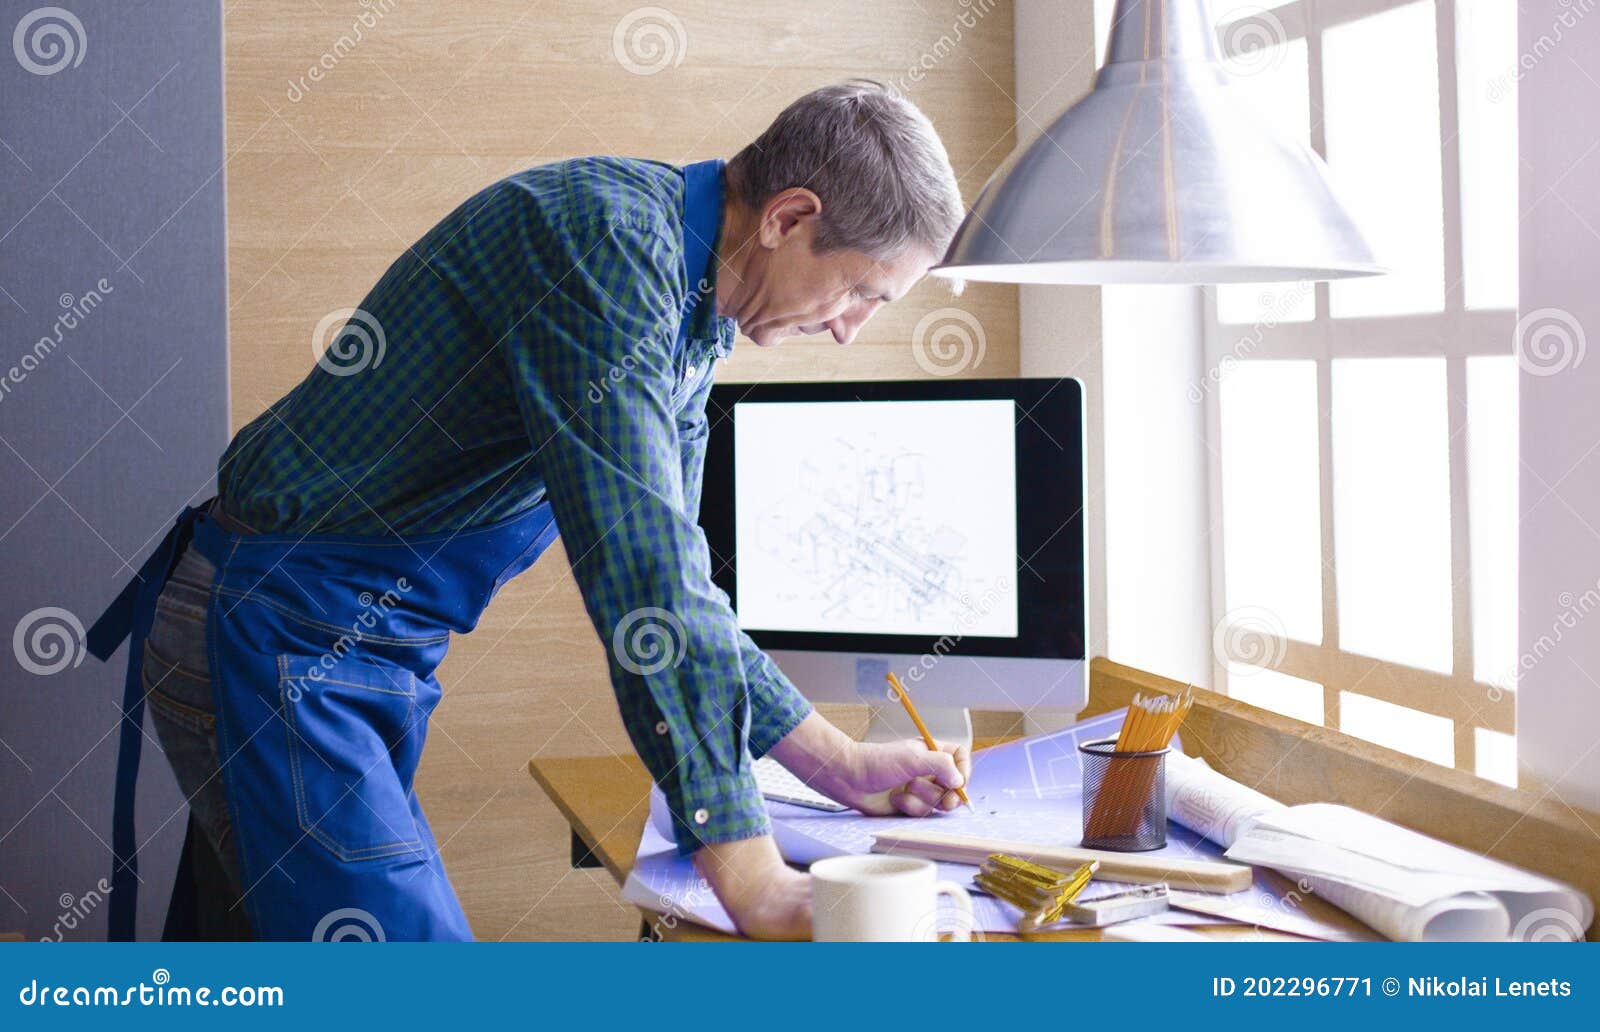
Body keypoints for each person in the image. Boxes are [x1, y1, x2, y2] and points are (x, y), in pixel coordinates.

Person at [89, 80, 973, 942]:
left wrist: (839, 763)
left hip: (348, 650)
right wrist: (747, 874)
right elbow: (644, 578)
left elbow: (686, 592)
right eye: (863, 292)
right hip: (275, 635)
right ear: (788, 219)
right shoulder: (609, 250)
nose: (852, 325)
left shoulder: (690, 311)